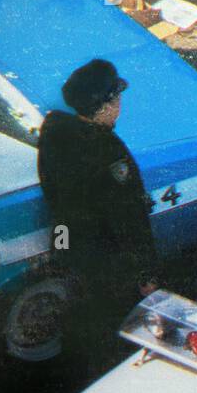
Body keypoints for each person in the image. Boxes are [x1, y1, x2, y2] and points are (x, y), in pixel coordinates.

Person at [37, 60, 158, 367]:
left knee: (81, 316)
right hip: (108, 263)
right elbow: (129, 220)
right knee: (114, 327)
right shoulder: (109, 151)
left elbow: (56, 196)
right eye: (116, 101)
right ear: (104, 107)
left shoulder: (53, 132)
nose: (119, 108)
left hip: (68, 249)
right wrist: (146, 276)